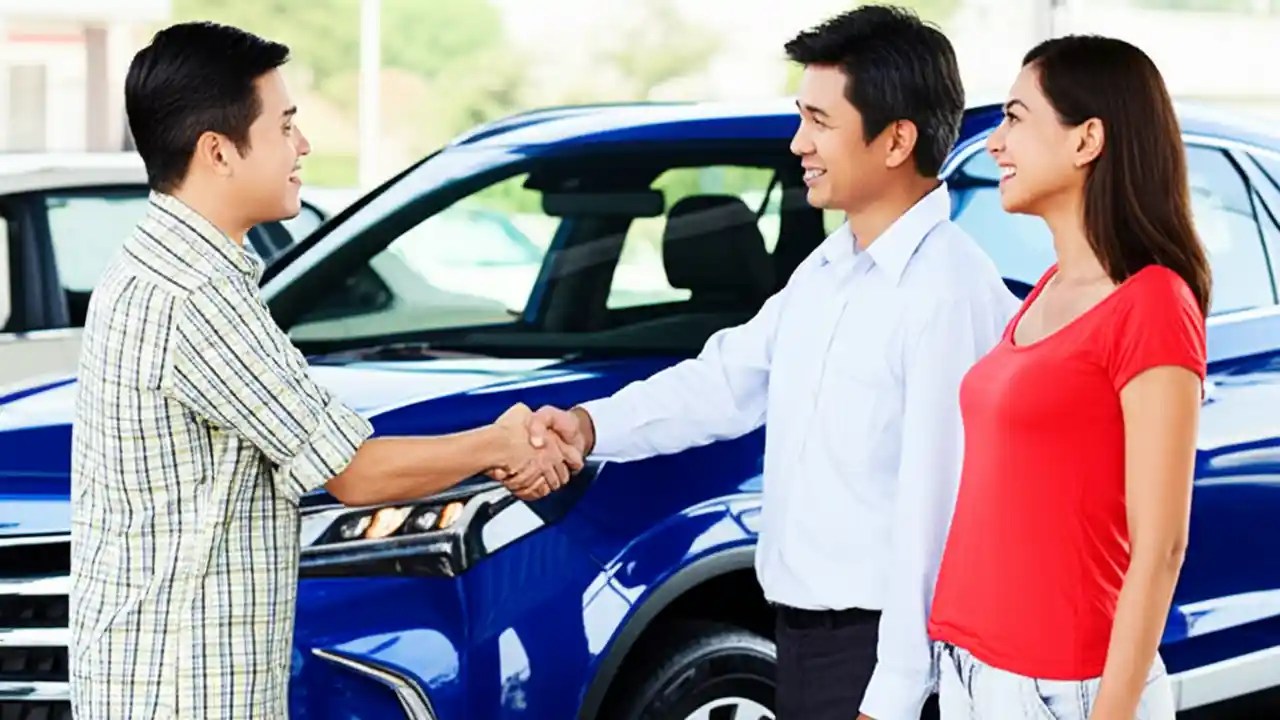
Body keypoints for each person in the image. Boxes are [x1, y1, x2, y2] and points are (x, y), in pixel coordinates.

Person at [515, 6, 1017, 720]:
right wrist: (587, 426)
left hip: (885, 659)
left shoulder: (948, 289)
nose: (799, 143)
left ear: (896, 139)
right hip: (806, 640)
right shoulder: (831, 268)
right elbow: (724, 383)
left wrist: (899, 693)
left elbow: (939, 509)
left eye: (819, 121)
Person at [68, 22, 579, 719]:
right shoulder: (195, 295)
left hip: (149, 679)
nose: (302, 146)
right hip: (186, 691)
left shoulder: (146, 268)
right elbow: (353, 470)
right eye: (283, 127)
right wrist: (500, 444)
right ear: (217, 151)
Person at [926, 35, 1211, 720]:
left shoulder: (1152, 302)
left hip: (1063, 688)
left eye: (1016, 118)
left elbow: (1163, 545)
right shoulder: (1048, 289)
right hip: (971, 669)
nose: (995, 144)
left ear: (1087, 140)